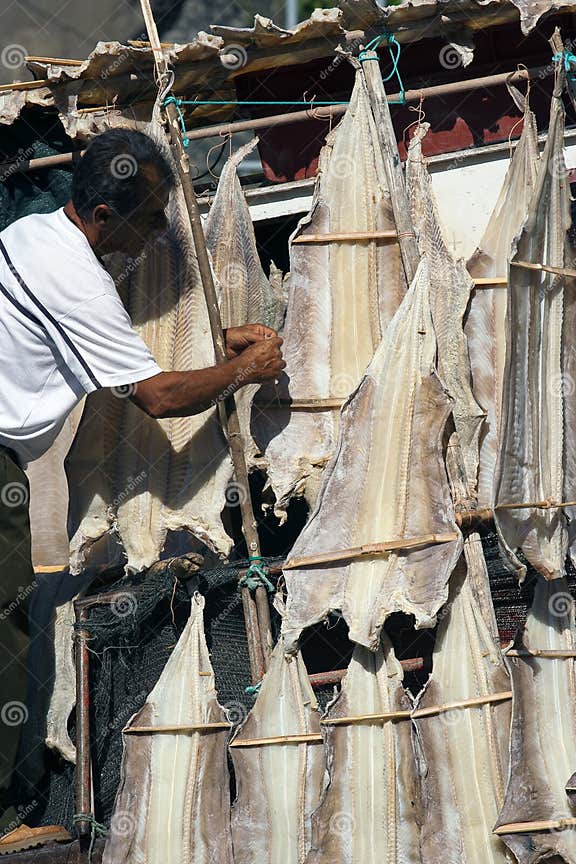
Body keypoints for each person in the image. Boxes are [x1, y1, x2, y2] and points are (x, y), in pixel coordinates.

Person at [0, 128, 284, 853]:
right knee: (10, 624)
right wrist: (242, 374)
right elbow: (157, 397)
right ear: (100, 214)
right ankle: (3, 819)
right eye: (150, 217)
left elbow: (117, 351)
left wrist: (209, 354)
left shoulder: (32, 234)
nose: (161, 233)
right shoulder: (79, 279)